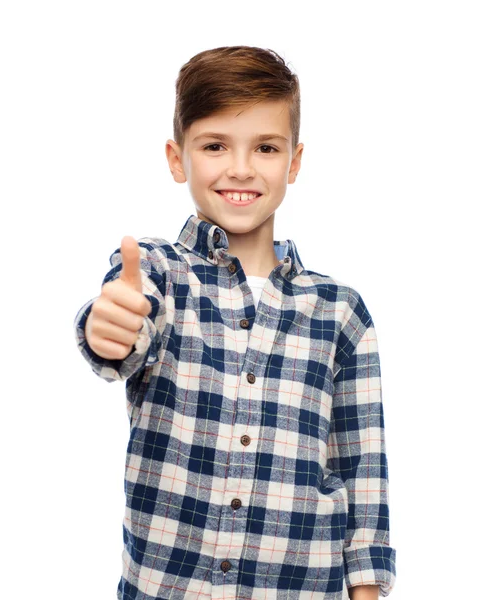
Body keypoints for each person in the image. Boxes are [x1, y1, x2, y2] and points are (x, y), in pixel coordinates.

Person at [73, 45, 397, 600]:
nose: (241, 168)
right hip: (166, 585)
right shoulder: (158, 272)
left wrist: (367, 588)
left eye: (266, 148)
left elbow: (361, 467)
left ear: (294, 162)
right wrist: (107, 329)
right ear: (179, 159)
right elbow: (121, 333)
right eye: (215, 145)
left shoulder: (340, 310)